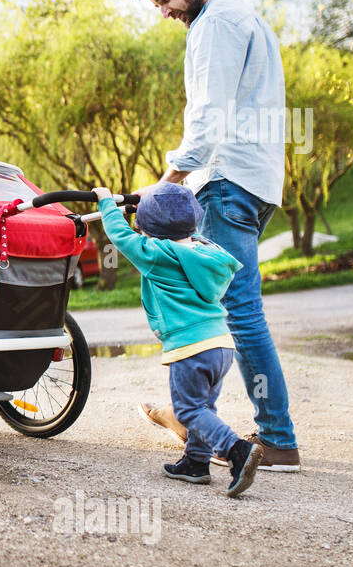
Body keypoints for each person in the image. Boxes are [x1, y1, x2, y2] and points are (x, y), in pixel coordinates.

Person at [131, 0, 301, 472]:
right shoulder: (246, 15)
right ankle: (249, 429)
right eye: (158, 6)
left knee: (238, 312)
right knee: (238, 309)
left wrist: (168, 181)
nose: (166, 12)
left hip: (226, 181)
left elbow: (207, 117)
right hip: (256, 180)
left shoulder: (214, 24)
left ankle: (275, 438)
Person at [95, 183, 261, 497]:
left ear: (150, 229)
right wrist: (152, 202)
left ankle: (236, 450)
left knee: (187, 411)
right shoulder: (204, 249)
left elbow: (121, 236)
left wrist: (107, 203)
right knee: (204, 408)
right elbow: (171, 218)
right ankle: (195, 463)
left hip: (191, 349)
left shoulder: (157, 255)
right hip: (221, 345)